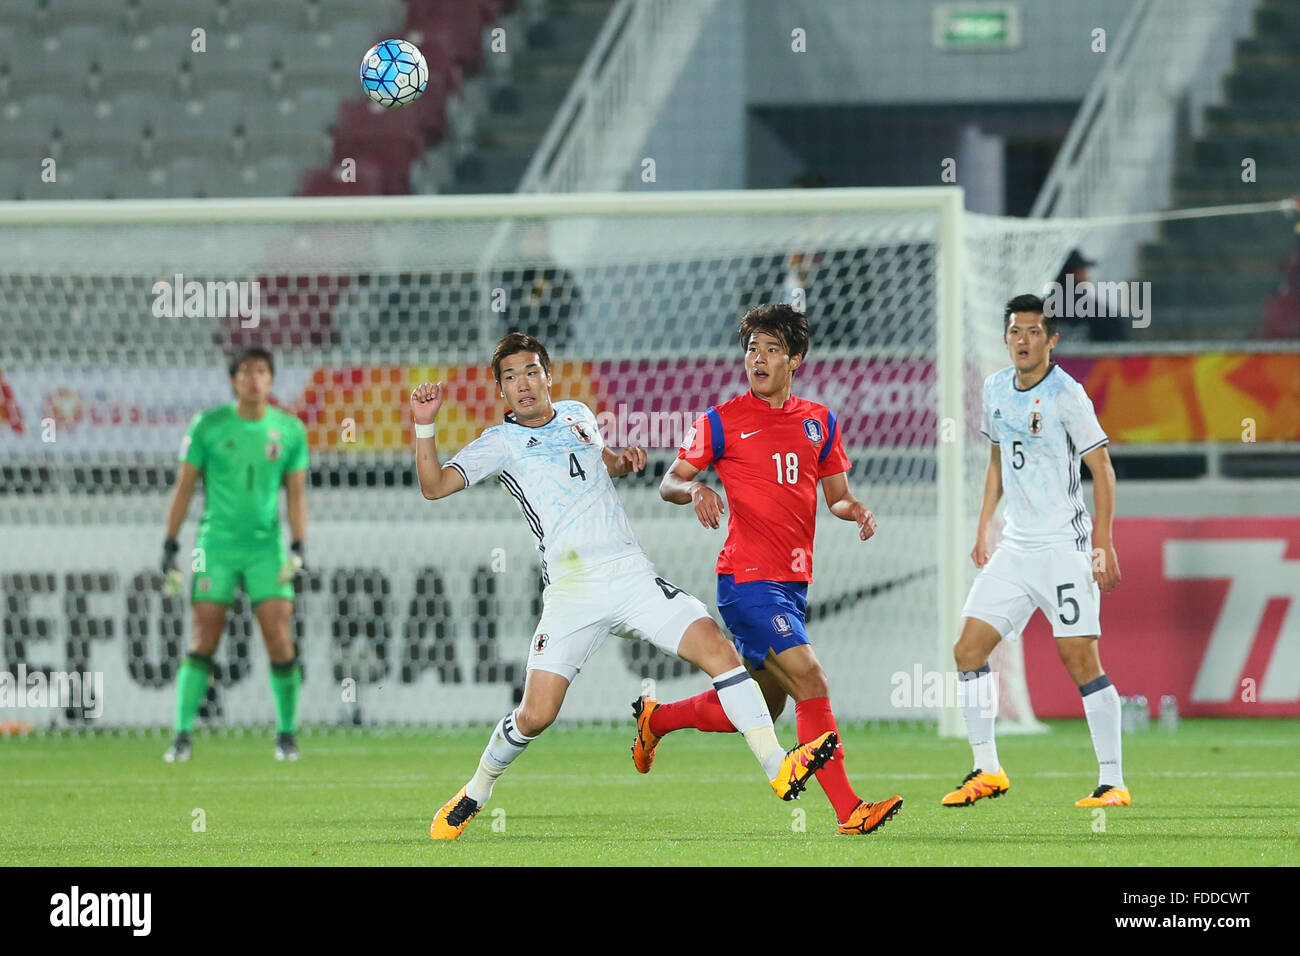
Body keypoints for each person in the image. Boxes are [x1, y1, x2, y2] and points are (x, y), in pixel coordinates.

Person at [413, 331, 839, 840]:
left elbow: (600, 463)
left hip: (631, 575)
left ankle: (777, 767)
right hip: (573, 591)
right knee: (536, 714)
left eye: (530, 372)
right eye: (510, 378)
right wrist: (424, 426)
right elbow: (434, 487)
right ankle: (477, 788)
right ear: (500, 391)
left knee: (718, 651)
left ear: (548, 376)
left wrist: (624, 460)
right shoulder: (499, 444)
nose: (522, 384)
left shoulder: (577, 414)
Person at [633, 304, 904, 836]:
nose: (757, 358)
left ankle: (655, 719)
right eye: (752, 348)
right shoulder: (721, 420)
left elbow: (838, 498)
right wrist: (696, 488)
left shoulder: (819, 421)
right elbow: (668, 481)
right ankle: (850, 810)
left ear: (795, 359)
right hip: (746, 581)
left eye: (771, 349)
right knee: (811, 678)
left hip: (793, 583)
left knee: (762, 704)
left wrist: (858, 512)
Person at [943, 293, 1128, 808]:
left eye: (1032, 332)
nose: (1022, 341)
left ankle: (1112, 780)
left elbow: (1103, 469)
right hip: (1015, 547)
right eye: (1015, 332)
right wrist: (984, 527)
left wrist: (1103, 541)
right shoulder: (996, 388)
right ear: (1006, 339)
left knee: (1079, 658)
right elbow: (998, 463)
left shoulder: (1068, 394)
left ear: (1051, 340)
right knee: (968, 649)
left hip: (1064, 548)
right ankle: (987, 769)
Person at [161, 348, 309, 762]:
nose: (254, 379)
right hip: (216, 546)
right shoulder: (208, 426)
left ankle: (286, 735)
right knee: (204, 634)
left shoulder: (290, 430)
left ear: (271, 379)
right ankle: (182, 736)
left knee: (279, 635)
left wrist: (299, 545)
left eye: (261, 371)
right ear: (233, 380)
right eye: (245, 372)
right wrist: (170, 543)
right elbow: (184, 487)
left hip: (267, 547)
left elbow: (296, 495)